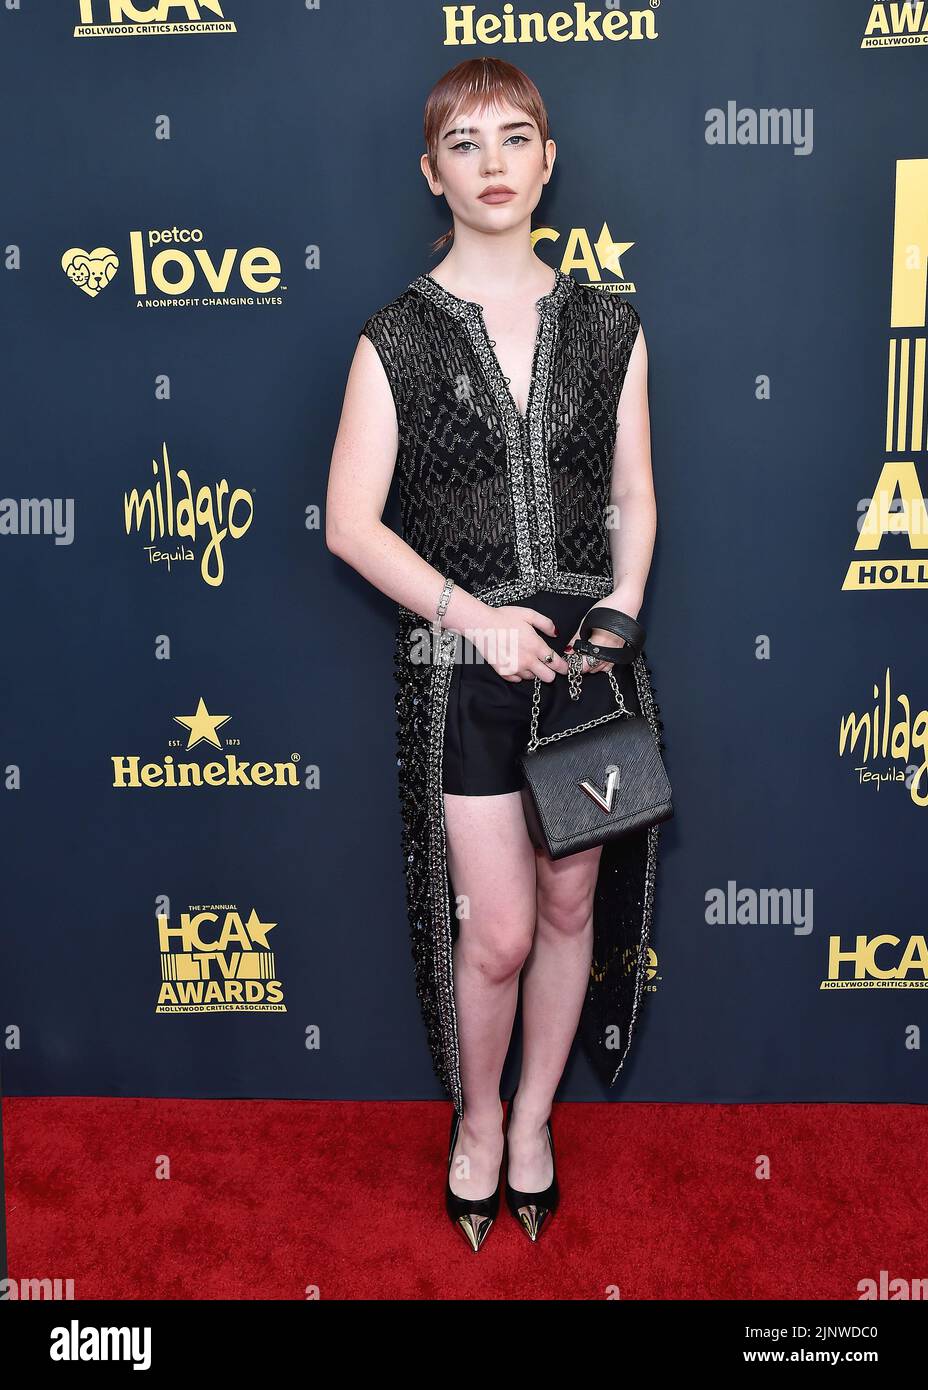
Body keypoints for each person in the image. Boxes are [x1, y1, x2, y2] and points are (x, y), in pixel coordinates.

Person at [326, 56, 664, 1252]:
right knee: (503, 928)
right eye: (463, 145)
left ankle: (532, 1124)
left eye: (514, 139)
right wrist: (472, 617)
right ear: (432, 173)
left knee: (573, 907)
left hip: (588, 669)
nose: (493, 165)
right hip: (465, 673)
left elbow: (632, 494)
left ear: (548, 159)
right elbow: (348, 524)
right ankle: (474, 1122)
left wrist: (619, 606)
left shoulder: (610, 324)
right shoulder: (395, 338)